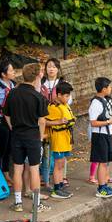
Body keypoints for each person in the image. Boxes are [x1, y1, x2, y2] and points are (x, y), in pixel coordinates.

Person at [3, 61, 50, 213]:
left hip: (17, 135)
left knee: (17, 169)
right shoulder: (38, 96)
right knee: (34, 169)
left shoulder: (12, 93)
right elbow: (42, 120)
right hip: (33, 136)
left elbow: (6, 114)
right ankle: (36, 205)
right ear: (37, 76)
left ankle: (17, 203)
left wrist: (12, 127)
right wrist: (41, 136)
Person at [89, 77, 112, 199]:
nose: (111, 89)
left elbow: (111, 118)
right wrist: (108, 122)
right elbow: (93, 123)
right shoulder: (96, 103)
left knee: (106, 162)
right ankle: (101, 188)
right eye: (109, 87)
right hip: (99, 136)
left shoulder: (106, 100)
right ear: (104, 89)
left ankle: (105, 185)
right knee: (102, 162)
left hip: (107, 134)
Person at [46, 81, 75, 198]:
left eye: (69, 95)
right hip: (58, 140)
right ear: (58, 95)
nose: (68, 98)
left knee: (62, 163)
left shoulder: (65, 105)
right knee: (58, 165)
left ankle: (61, 185)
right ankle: (56, 189)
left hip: (66, 139)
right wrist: (58, 122)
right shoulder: (53, 107)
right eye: (66, 95)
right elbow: (45, 121)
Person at [39, 58, 63, 188]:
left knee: (58, 150)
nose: (51, 69)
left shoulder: (62, 83)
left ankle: (58, 176)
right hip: (44, 120)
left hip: (58, 121)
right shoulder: (41, 83)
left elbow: (68, 101)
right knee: (44, 150)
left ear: (58, 69)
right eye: (49, 66)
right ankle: (44, 176)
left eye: (54, 67)